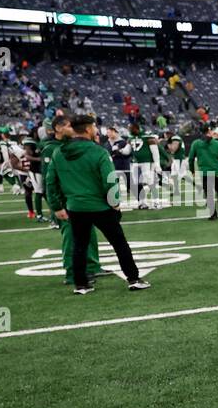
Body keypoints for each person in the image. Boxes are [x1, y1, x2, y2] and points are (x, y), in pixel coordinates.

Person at [45, 115, 150, 295]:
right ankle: (133, 279)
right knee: (119, 243)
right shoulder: (99, 152)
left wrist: (56, 206)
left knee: (79, 245)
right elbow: (110, 182)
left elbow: (51, 182)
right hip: (100, 207)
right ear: (87, 129)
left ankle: (81, 284)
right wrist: (115, 203)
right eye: (93, 127)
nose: (96, 130)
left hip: (75, 207)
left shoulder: (58, 152)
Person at [41, 114, 105, 285]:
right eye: (70, 126)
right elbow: (49, 182)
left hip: (80, 201)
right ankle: (72, 272)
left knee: (87, 234)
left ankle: (92, 267)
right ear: (58, 129)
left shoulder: (71, 146)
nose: (74, 130)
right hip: (66, 203)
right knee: (72, 238)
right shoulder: (51, 148)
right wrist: (56, 206)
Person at [188, 125, 218, 219]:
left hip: (205, 172)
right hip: (217, 171)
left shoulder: (196, 143)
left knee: (209, 193)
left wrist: (192, 170)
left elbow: (190, 159)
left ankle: (212, 213)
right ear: (209, 131)